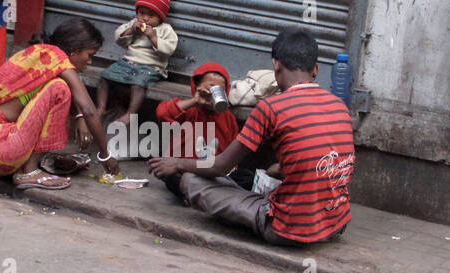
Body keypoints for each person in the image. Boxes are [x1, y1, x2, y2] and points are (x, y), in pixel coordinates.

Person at [146, 27, 354, 244]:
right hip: (336, 222)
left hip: (287, 229)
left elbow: (220, 167)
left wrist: (178, 164)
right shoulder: (339, 106)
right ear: (316, 70)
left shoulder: (271, 107)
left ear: (276, 65)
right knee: (250, 179)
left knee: (192, 180)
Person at [0, 17, 121, 191]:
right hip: (1, 151)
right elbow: (89, 109)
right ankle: (29, 172)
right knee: (59, 89)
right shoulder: (56, 59)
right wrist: (106, 155)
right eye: (89, 55)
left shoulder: (43, 56)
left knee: (61, 87)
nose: (90, 61)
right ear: (75, 51)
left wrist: (79, 117)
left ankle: (30, 166)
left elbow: (79, 103)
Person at [95, 0, 178, 132]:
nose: (145, 18)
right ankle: (101, 108)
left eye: (151, 15)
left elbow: (169, 49)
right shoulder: (134, 23)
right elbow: (118, 38)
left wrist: (153, 37)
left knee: (139, 83)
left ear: (161, 16)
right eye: (141, 13)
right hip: (128, 62)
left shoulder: (166, 29)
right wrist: (130, 31)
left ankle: (130, 114)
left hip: (151, 67)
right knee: (105, 76)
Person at [156, 61, 243, 174]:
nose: (212, 94)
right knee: (178, 179)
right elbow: (162, 114)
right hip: (183, 170)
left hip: (211, 172)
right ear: (197, 87)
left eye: (218, 90)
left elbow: (232, 151)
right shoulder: (188, 110)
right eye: (209, 89)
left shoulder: (228, 117)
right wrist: (195, 100)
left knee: (245, 177)